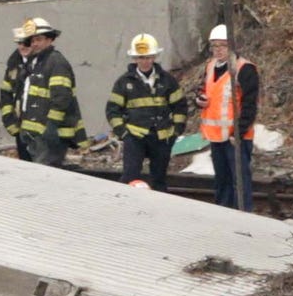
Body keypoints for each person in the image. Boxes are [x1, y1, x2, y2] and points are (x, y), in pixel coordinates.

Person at [0, 19, 83, 168]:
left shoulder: (56, 61)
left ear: (50, 39)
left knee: (46, 175)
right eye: (32, 40)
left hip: (50, 134)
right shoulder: (36, 62)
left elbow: (61, 98)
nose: (35, 44)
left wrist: (51, 126)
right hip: (34, 133)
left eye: (39, 39)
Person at [196, 25, 261, 211]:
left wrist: (238, 133)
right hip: (216, 136)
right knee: (222, 181)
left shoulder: (244, 69)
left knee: (239, 182)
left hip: (236, 138)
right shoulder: (210, 67)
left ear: (232, 46)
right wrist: (199, 100)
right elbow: (204, 90)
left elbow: (250, 105)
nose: (218, 49)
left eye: (222, 45)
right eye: (214, 46)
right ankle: (223, 213)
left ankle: (243, 215)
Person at [106, 35, 184, 188]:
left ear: (154, 56)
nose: (145, 61)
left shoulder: (167, 80)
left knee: (159, 180)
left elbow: (180, 106)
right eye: (141, 57)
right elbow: (112, 110)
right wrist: (124, 133)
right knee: (130, 177)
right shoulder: (124, 82)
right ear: (134, 58)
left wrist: (176, 131)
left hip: (162, 137)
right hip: (135, 137)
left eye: (148, 57)